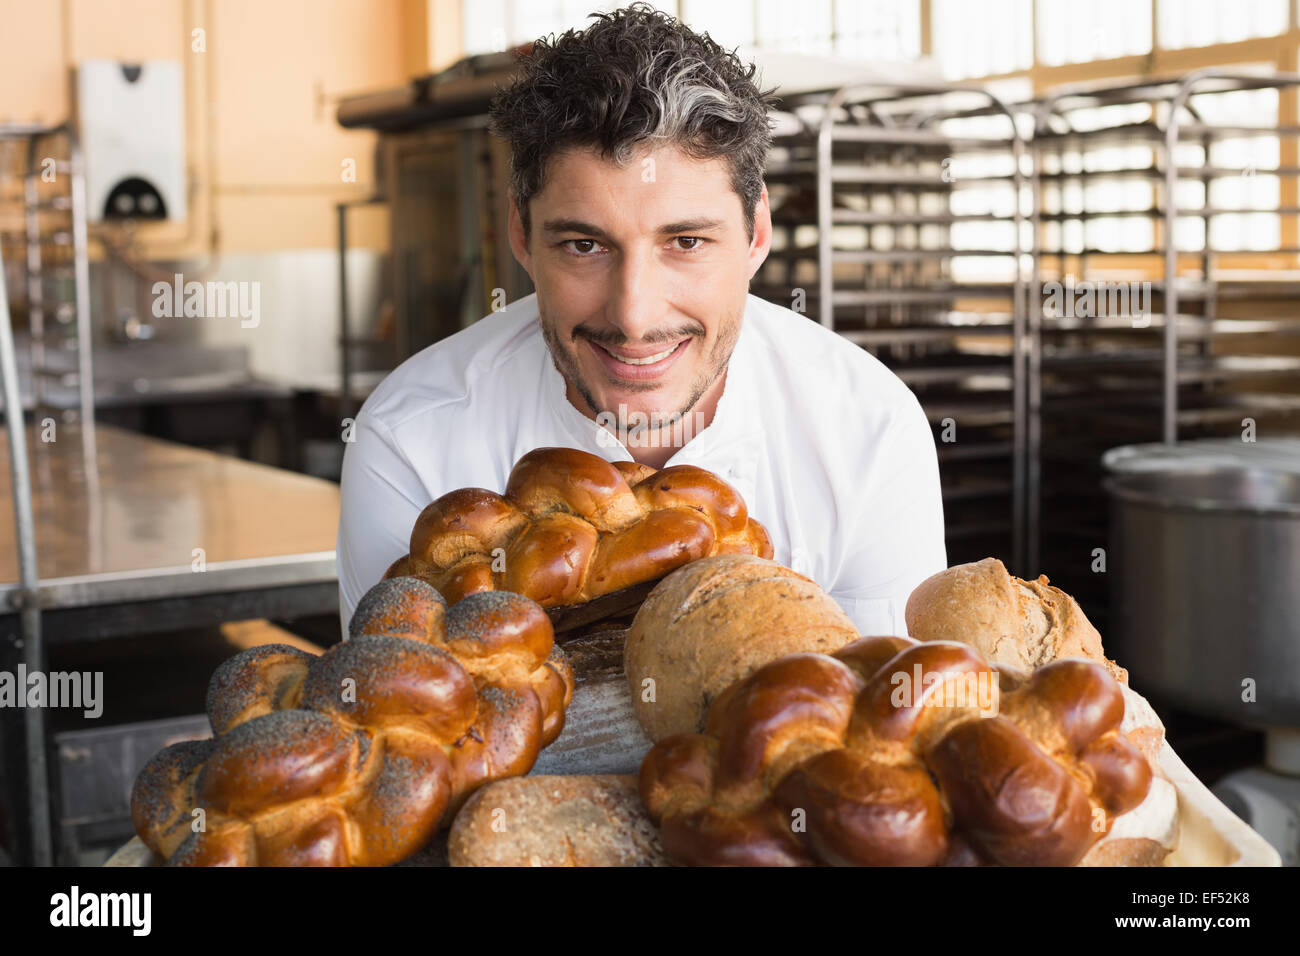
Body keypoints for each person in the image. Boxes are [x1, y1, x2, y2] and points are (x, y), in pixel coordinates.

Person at [337, 3, 946, 638]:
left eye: (685, 242)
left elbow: (883, 703)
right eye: (584, 246)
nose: (633, 316)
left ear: (756, 232)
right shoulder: (409, 439)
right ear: (521, 235)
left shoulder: (869, 430)